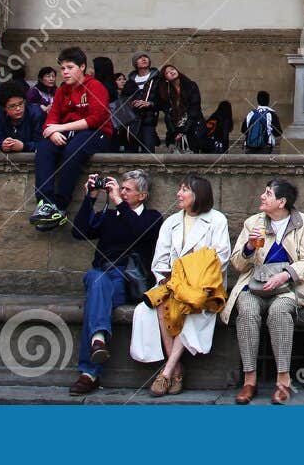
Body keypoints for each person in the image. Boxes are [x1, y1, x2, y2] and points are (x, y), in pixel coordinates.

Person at [67, 169, 164, 395]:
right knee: (97, 280)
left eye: (127, 190)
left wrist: (119, 203)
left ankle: (89, 373)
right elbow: (79, 232)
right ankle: (98, 341)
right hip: (100, 272)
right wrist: (90, 198)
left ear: (142, 195)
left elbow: (139, 232)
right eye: (121, 188)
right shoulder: (110, 215)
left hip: (126, 279)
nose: (121, 192)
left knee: (97, 291)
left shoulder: (152, 218)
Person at [223, 178, 304, 405]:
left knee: (279, 312)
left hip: (288, 287)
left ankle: (283, 381)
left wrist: (285, 275)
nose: (262, 197)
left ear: (282, 202)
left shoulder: (302, 223)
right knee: (245, 310)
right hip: (253, 284)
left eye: (268, 194)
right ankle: (249, 380)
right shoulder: (253, 223)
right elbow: (237, 264)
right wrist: (248, 248)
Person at [142, 176, 229, 397]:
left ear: (198, 195)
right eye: (179, 189)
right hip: (173, 284)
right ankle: (176, 369)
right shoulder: (171, 222)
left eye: (185, 190)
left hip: (203, 288)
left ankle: (166, 372)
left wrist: (192, 274)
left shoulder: (217, 220)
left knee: (191, 306)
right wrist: (167, 279)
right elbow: (160, 259)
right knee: (160, 303)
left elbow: (221, 257)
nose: (179, 194)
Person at [30, 47, 114, 231]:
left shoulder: (95, 86)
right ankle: (46, 203)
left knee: (72, 150)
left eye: (70, 67)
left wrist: (61, 127)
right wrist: (52, 132)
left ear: (82, 67)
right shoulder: (62, 90)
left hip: (96, 133)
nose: (65, 72)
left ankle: (60, 205)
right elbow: (51, 118)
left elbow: (96, 119)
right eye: (62, 68)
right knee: (44, 147)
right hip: (68, 131)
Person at [0, 80, 46, 154]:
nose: (18, 109)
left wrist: (24, 146)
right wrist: (2, 145)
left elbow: (43, 145)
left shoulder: (36, 113)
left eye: (20, 103)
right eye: (12, 106)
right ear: (4, 108)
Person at [155, 63, 204, 150]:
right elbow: (167, 114)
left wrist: (184, 130)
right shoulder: (167, 93)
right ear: (165, 79)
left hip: (193, 126)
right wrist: (175, 132)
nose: (171, 72)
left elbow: (194, 109)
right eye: (167, 73)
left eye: (172, 69)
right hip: (176, 128)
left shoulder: (191, 85)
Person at [123, 52, 159, 153]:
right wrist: (130, 103)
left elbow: (163, 100)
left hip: (148, 121)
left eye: (146, 57)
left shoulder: (157, 79)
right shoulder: (130, 81)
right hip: (132, 122)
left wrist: (150, 103)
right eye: (140, 58)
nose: (144, 59)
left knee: (148, 152)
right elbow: (123, 100)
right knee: (130, 152)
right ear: (135, 63)